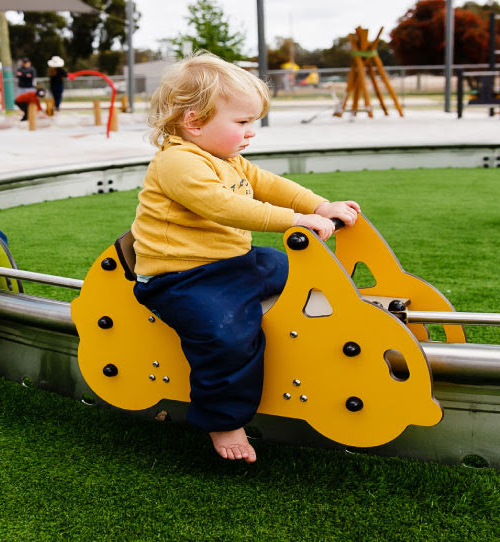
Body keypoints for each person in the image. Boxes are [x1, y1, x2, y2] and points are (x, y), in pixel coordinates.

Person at [130, 52, 360, 462]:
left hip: (232, 262)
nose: (251, 132)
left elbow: (270, 184)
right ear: (195, 122)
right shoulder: (178, 162)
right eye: (241, 122)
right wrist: (296, 220)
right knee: (225, 337)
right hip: (182, 277)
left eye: (252, 121)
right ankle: (223, 421)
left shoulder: (227, 158)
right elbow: (223, 207)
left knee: (303, 271)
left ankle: (337, 324)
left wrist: (319, 205)